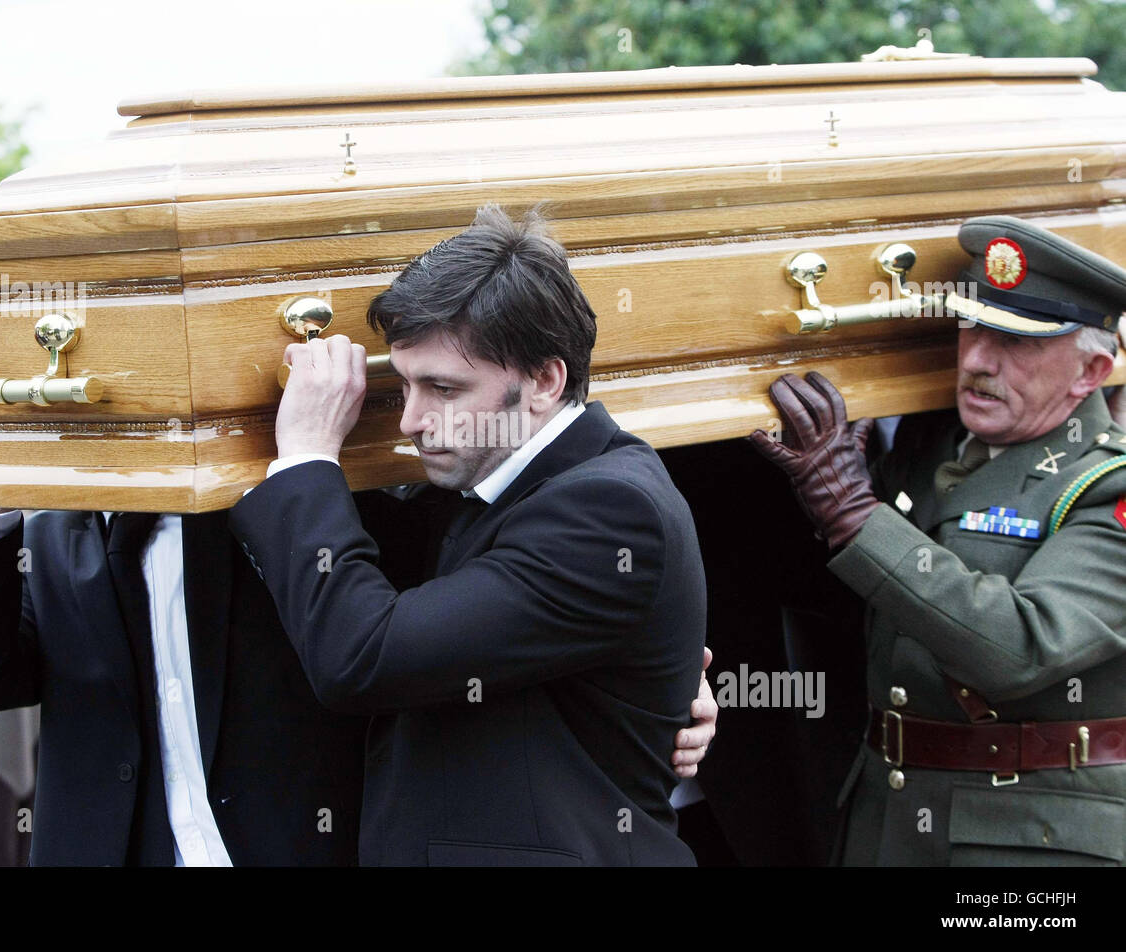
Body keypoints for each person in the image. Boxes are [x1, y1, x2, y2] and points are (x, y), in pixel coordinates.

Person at [232, 204, 707, 866]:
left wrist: (310, 458)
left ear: (544, 380)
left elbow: (360, 656)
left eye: (443, 389)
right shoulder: (504, 481)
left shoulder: (606, 511)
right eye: (402, 385)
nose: (411, 420)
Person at [751, 215, 1126, 865]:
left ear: (1090, 372)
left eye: (1017, 343)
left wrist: (852, 514)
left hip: (1024, 842)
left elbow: (1019, 645)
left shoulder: (1103, 486)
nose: (979, 360)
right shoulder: (931, 452)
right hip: (885, 818)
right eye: (971, 327)